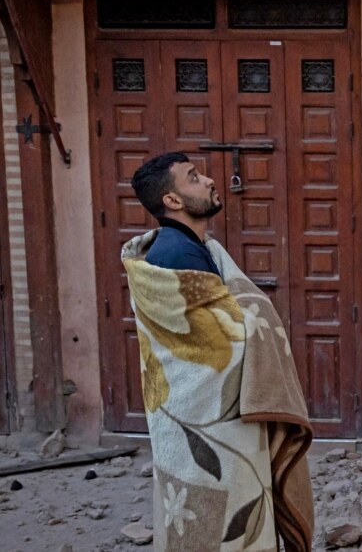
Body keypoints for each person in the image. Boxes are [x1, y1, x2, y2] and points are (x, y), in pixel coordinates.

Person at [125, 153, 314, 551]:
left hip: (213, 424)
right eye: (194, 178)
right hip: (204, 417)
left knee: (219, 522)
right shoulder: (176, 255)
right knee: (218, 522)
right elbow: (216, 341)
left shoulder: (194, 247)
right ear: (173, 200)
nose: (210, 181)